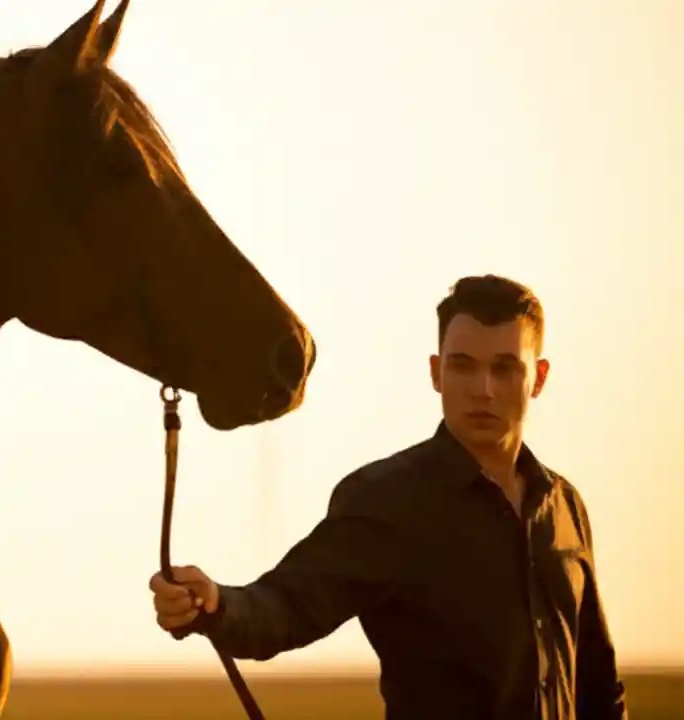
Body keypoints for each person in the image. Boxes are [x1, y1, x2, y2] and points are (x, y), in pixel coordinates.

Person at [149, 274, 628, 719]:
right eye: (464, 367)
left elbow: (598, 684)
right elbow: (290, 606)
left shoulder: (564, 506)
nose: (483, 390)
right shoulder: (388, 500)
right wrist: (214, 604)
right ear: (436, 373)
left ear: (538, 378)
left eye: (505, 369)